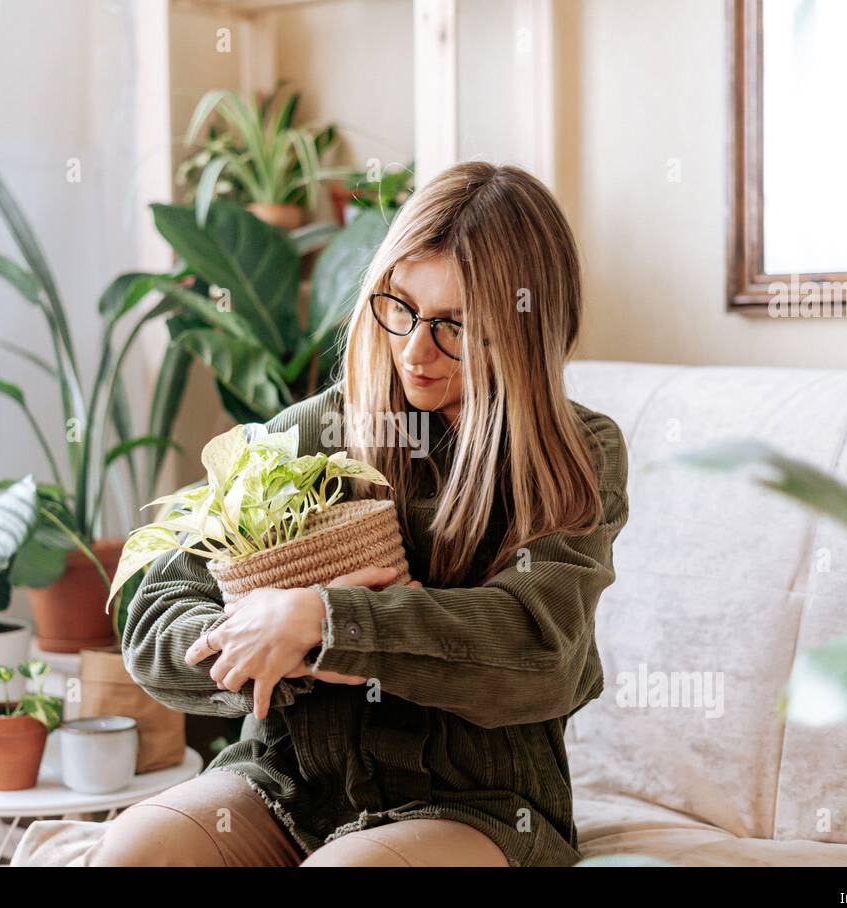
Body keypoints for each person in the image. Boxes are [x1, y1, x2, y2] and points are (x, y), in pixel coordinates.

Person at [92, 161, 630, 867]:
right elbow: (158, 614)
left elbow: (541, 651)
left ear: (527, 326)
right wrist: (279, 645)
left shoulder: (576, 450)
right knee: (135, 849)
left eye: (456, 327)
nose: (413, 350)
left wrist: (330, 621)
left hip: (479, 804)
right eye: (400, 306)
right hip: (289, 785)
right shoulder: (315, 431)